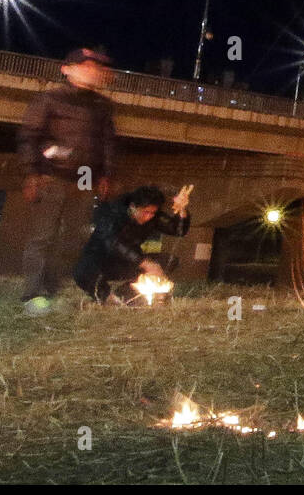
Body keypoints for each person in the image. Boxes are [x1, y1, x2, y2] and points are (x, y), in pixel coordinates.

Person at [17, 47, 117, 315]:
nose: (92, 71)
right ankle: (33, 295)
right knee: (42, 238)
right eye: (85, 65)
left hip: (85, 181)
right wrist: (32, 172)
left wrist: (107, 174)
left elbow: (107, 142)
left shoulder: (102, 106)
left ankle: (52, 291)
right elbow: (30, 136)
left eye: (95, 67)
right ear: (67, 69)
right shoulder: (49, 99)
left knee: (73, 239)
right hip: (52, 178)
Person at [73, 185, 193, 303]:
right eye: (146, 212)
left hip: (128, 262)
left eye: (153, 213)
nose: (149, 217)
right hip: (101, 260)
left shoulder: (153, 217)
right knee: (83, 270)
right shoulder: (113, 212)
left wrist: (182, 210)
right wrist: (144, 263)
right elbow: (113, 242)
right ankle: (105, 297)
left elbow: (178, 230)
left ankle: (124, 296)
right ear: (133, 207)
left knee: (168, 260)